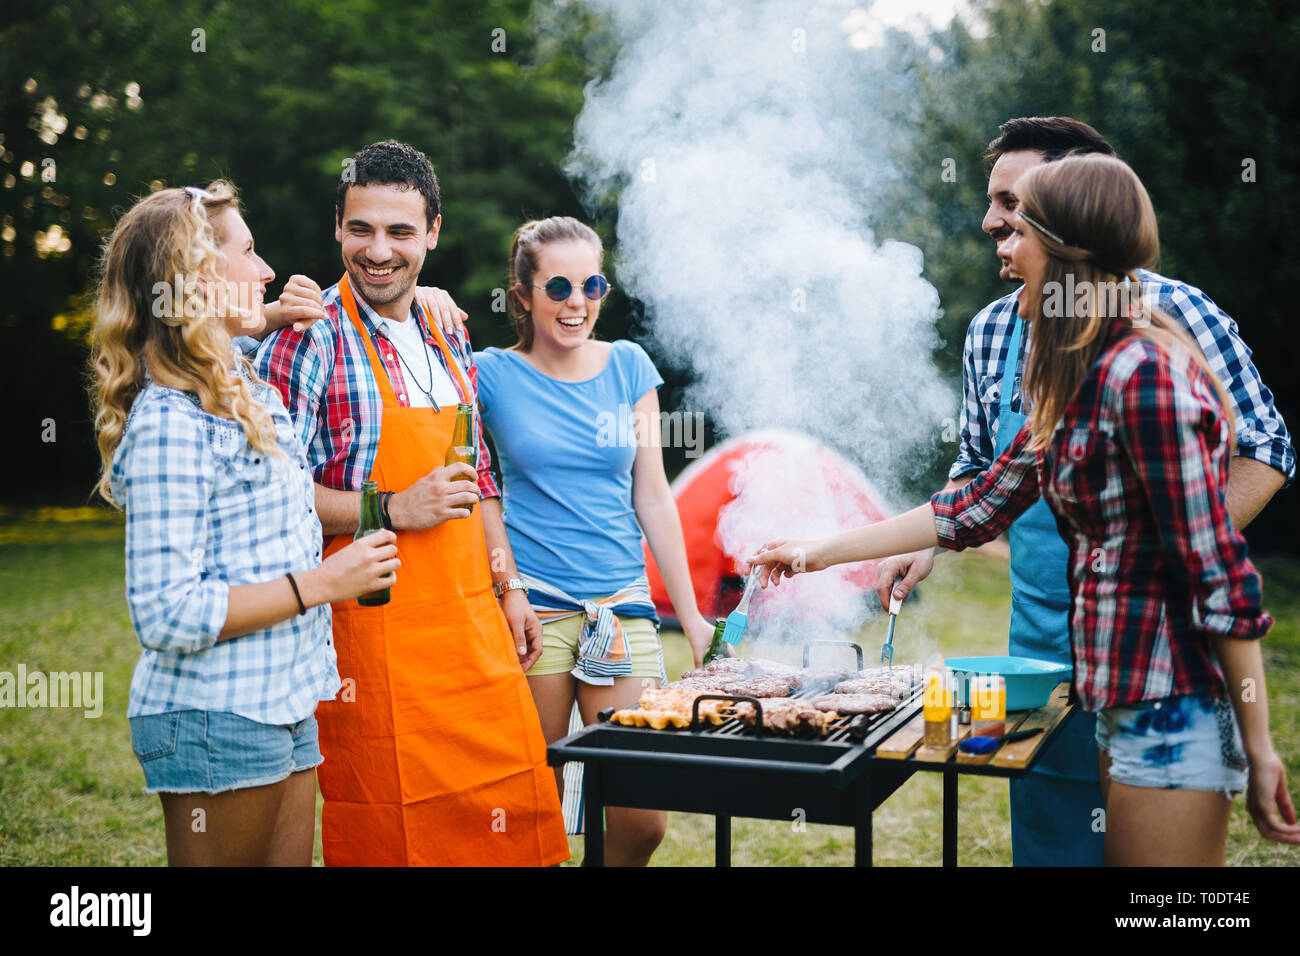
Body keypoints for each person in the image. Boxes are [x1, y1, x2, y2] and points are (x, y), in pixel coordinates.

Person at [747, 153, 1300, 865]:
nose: (1000, 247)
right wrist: (815, 551)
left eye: (1017, 233)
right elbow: (974, 507)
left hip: (1173, 707)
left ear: (1066, 253)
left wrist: (1258, 749)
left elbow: (1217, 570)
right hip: (1122, 702)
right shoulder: (1078, 375)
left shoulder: (1144, 377)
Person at [254, 141, 568, 866]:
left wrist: (510, 584)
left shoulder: (446, 330)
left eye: (400, 232)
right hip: (373, 638)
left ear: (432, 232)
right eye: (361, 229)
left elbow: (479, 477)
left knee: (511, 816)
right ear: (338, 227)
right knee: (395, 835)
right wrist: (390, 508)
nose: (378, 251)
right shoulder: (307, 336)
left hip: (472, 627)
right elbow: (274, 496)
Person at [91, 181, 400, 865]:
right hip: (215, 715)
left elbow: (223, 336)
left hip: (284, 700)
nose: (267, 271)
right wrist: (322, 582)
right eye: (249, 252)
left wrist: (258, 320)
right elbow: (167, 613)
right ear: (197, 279)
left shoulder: (246, 389)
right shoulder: (172, 423)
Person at [474, 216, 716, 866]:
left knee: (641, 821)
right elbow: (474, 482)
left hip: (623, 609)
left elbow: (653, 495)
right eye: (558, 286)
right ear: (522, 293)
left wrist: (691, 616)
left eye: (592, 285)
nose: (577, 302)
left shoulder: (629, 366)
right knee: (531, 815)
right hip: (535, 613)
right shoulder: (490, 374)